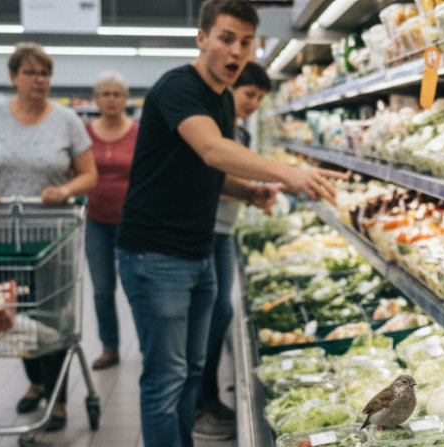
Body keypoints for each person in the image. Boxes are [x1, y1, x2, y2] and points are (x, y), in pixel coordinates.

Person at [113, 0, 349, 445]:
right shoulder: (178, 88)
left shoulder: (223, 98)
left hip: (198, 252)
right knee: (166, 378)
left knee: (191, 370)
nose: (237, 51)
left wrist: (248, 192)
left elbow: (203, 170)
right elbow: (211, 150)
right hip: (155, 255)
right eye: (226, 38)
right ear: (201, 38)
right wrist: (287, 173)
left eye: (246, 42)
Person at [0, 42, 98, 432]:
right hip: (4, 236)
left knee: (51, 318)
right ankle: (36, 382)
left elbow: (89, 174)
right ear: (12, 76)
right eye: (30, 72)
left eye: (44, 73)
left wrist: (66, 190)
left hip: (53, 240)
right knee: (13, 316)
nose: (39, 80)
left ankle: (58, 400)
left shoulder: (67, 120)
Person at [194, 61, 271, 440]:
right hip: (206, 230)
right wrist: (259, 185)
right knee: (212, 314)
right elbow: (211, 180)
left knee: (219, 313)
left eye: (259, 98)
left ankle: (206, 398)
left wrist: (254, 193)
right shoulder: (218, 130)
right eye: (248, 94)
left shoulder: (241, 131)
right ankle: (201, 403)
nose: (253, 103)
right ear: (230, 90)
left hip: (224, 230)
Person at [84, 72, 138, 371]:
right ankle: (109, 347)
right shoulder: (84, 133)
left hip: (131, 222)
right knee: (102, 289)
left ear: (125, 99)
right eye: (106, 94)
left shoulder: (138, 132)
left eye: (117, 94)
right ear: (96, 99)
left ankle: (146, 344)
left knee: (137, 288)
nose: (111, 99)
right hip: (95, 222)